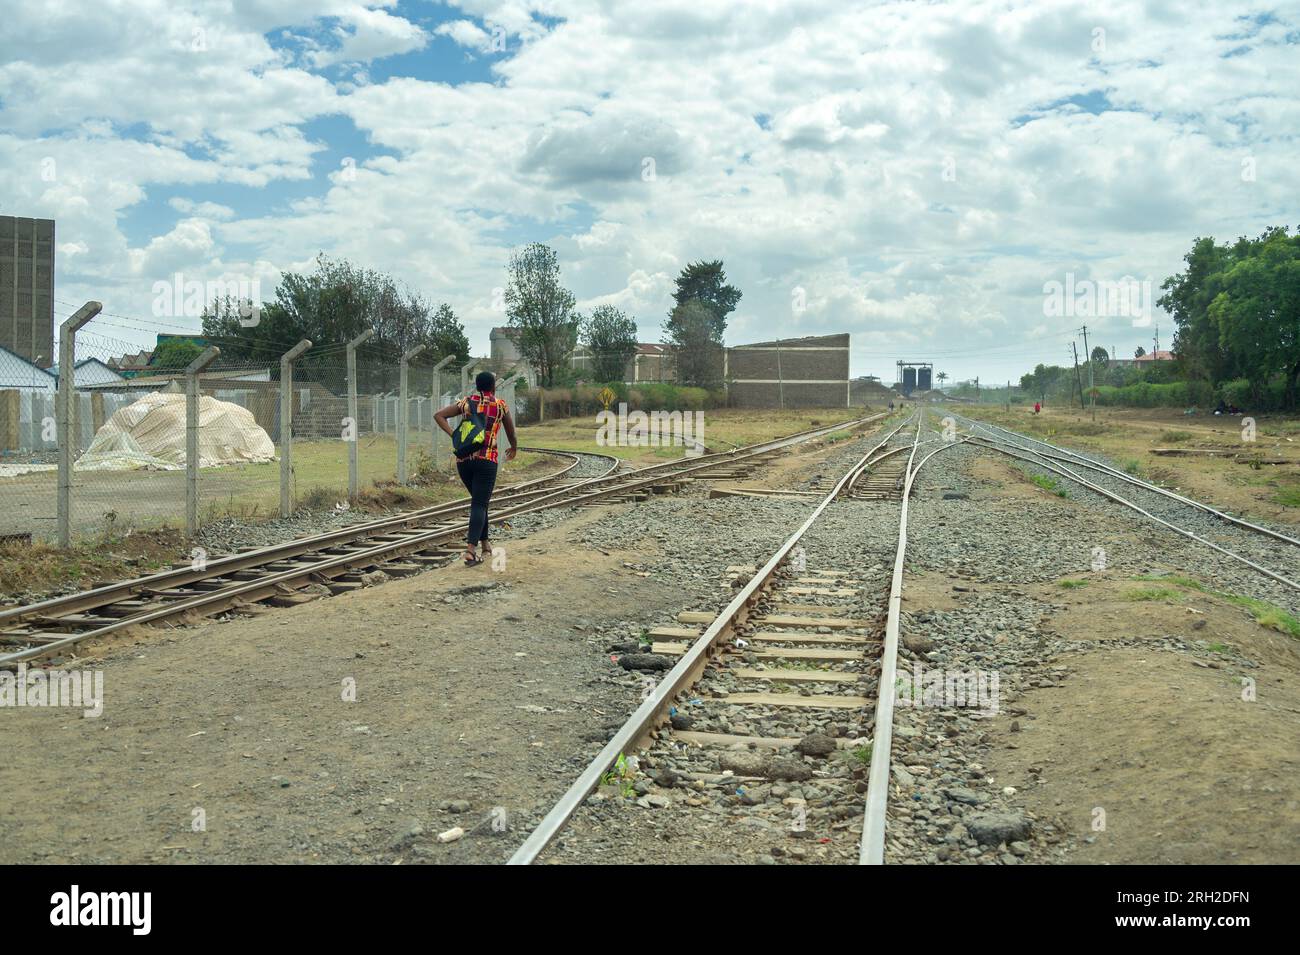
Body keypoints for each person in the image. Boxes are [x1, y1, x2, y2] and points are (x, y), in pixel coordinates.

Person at [434, 371, 517, 566]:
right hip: (487, 459)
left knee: (480, 501)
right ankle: (471, 550)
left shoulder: (466, 403)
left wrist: (454, 435)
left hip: (464, 461)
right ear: (493, 387)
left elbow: (438, 416)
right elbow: (511, 432)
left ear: (477, 386)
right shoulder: (500, 405)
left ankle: (485, 543)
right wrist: (513, 447)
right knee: (480, 503)